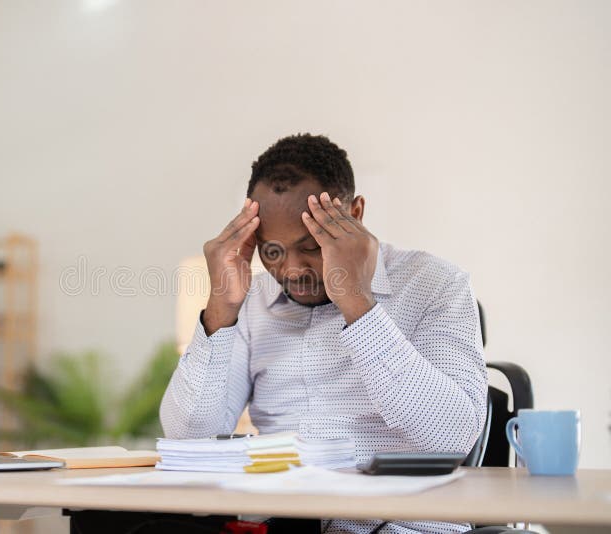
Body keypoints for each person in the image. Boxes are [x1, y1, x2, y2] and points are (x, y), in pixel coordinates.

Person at [160, 133, 488, 534]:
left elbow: (451, 437)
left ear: (356, 214)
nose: (292, 270)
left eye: (312, 245)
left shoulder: (436, 284)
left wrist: (356, 301)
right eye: (272, 251)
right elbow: (188, 440)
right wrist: (220, 310)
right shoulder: (250, 301)